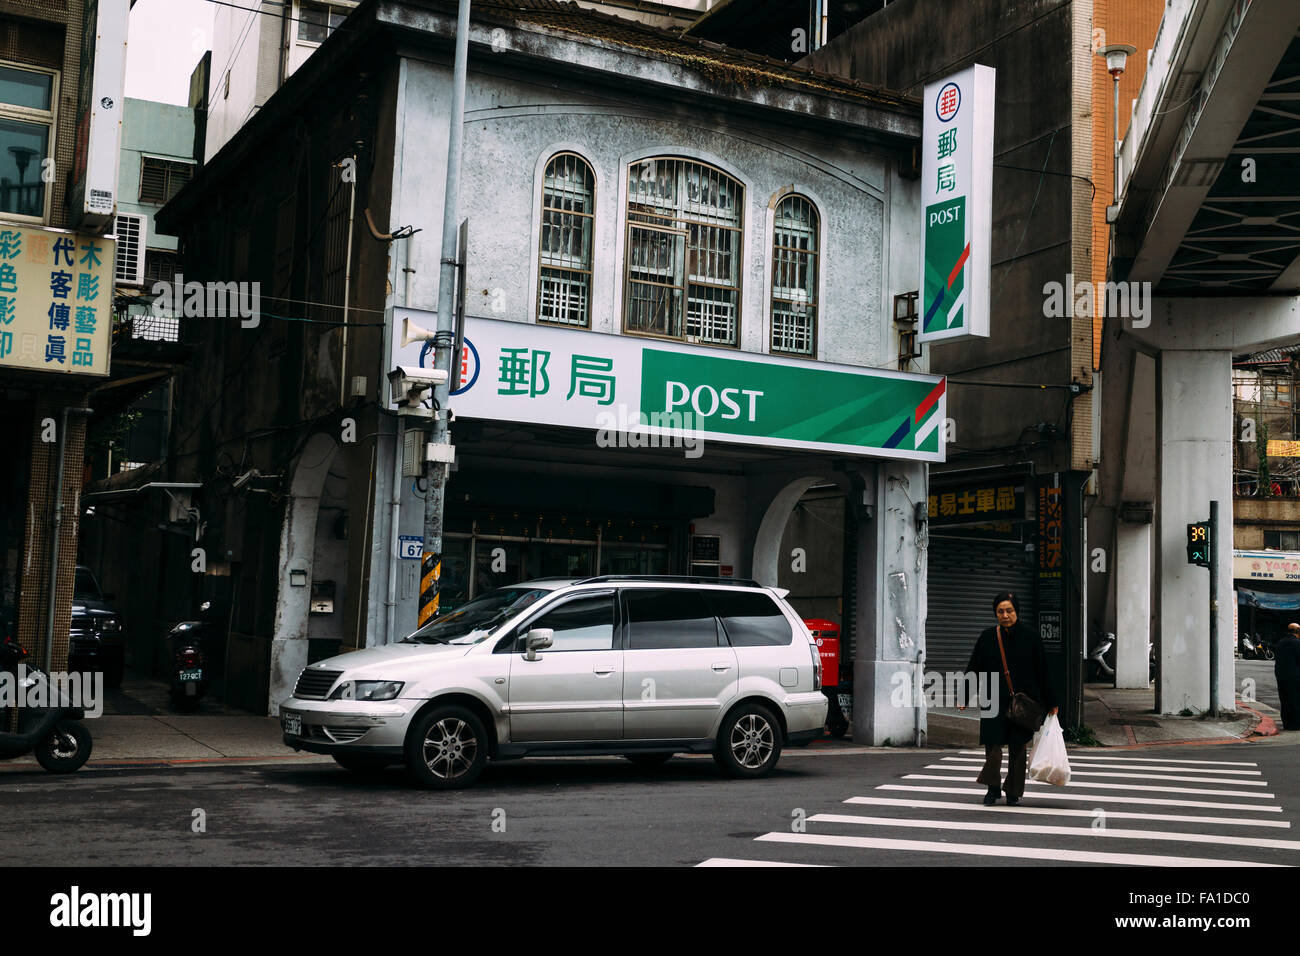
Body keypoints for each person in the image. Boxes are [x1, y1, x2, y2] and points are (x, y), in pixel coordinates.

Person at [959, 591, 1058, 806]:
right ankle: (992, 788)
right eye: (1001, 611)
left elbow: (1043, 671)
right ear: (995, 613)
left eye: (1009, 611)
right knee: (992, 747)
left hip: (1023, 702)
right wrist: (964, 696)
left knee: (1018, 747)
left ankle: (1013, 791)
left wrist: (1052, 702)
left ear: (1017, 612)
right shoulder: (987, 637)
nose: (1005, 615)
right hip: (992, 698)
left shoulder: (1031, 637)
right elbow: (974, 668)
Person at [1274, 623, 1300, 731]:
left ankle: (1286, 723)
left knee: (1284, 700)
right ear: (1297, 632)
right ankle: (1295, 724)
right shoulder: (1297, 643)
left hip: (1281, 676)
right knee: (1295, 700)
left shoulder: (1280, 643)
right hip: (1295, 677)